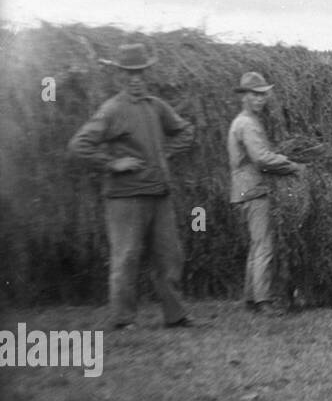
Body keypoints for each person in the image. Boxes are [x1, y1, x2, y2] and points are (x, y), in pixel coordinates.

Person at [67, 43, 196, 329]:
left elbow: (185, 130)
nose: (135, 79)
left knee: (169, 257)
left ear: (147, 74)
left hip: (159, 194)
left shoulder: (156, 106)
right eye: (129, 73)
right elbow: (79, 145)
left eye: (140, 73)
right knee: (126, 257)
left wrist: (166, 152)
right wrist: (113, 163)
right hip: (126, 198)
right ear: (119, 76)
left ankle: (175, 316)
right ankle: (123, 319)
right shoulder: (112, 109)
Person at [228, 72, 305, 313]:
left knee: (256, 245)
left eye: (262, 95)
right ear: (244, 96)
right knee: (264, 246)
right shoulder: (247, 124)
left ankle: (251, 298)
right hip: (254, 189)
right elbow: (261, 158)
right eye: (255, 94)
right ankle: (263, 301)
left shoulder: (243, 121)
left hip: (244, 190)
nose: (260, 99)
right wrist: (291, 165)